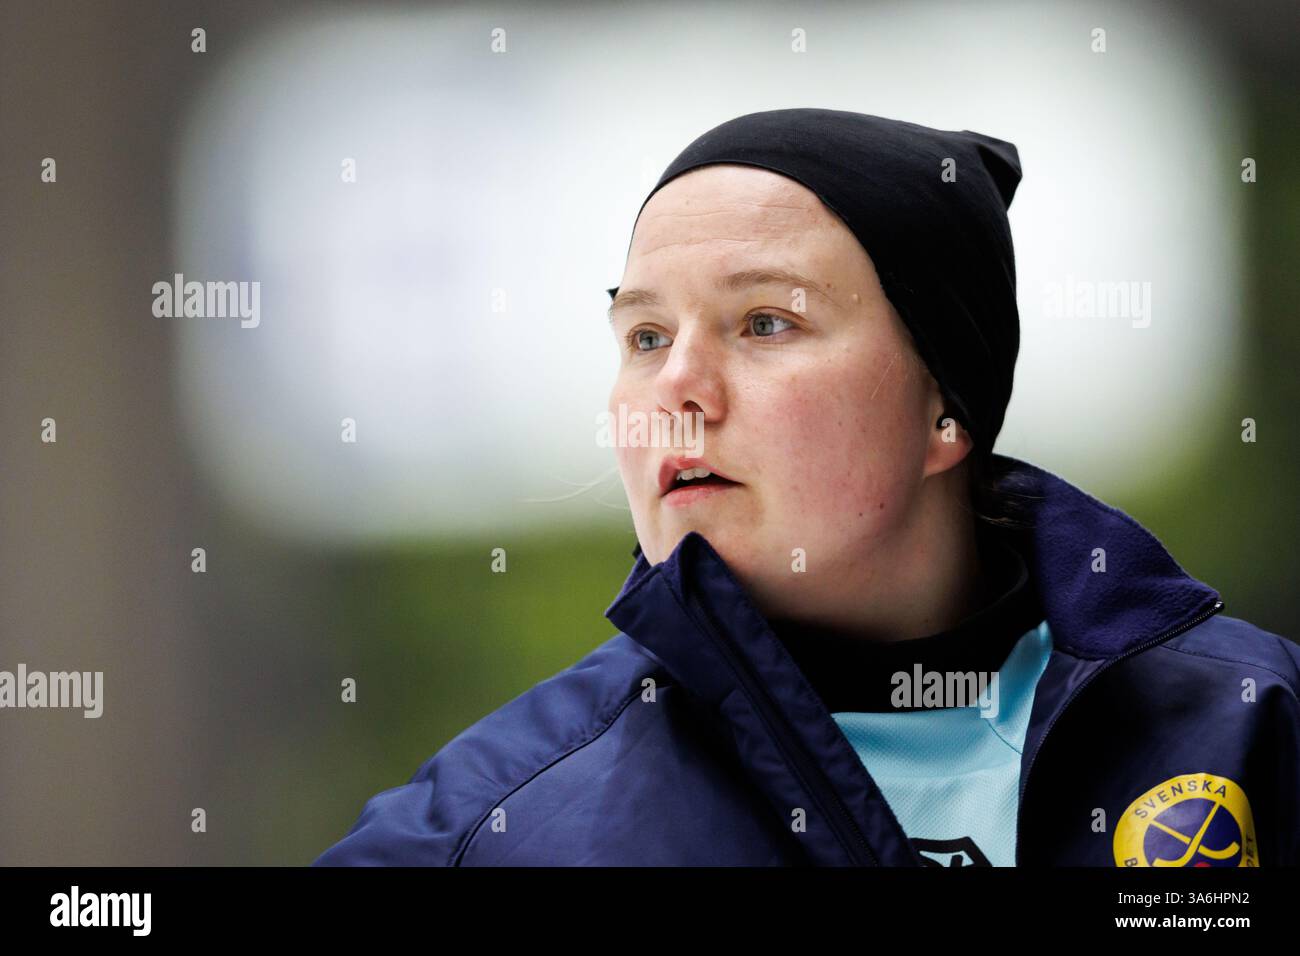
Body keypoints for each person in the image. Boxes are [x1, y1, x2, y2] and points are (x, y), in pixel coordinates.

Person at [314, 109, 1299, 867]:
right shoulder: (492, 827)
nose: (677, 390)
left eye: (763, 323)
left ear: (944, 408)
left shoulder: (1253, 723)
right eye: (645, 337)